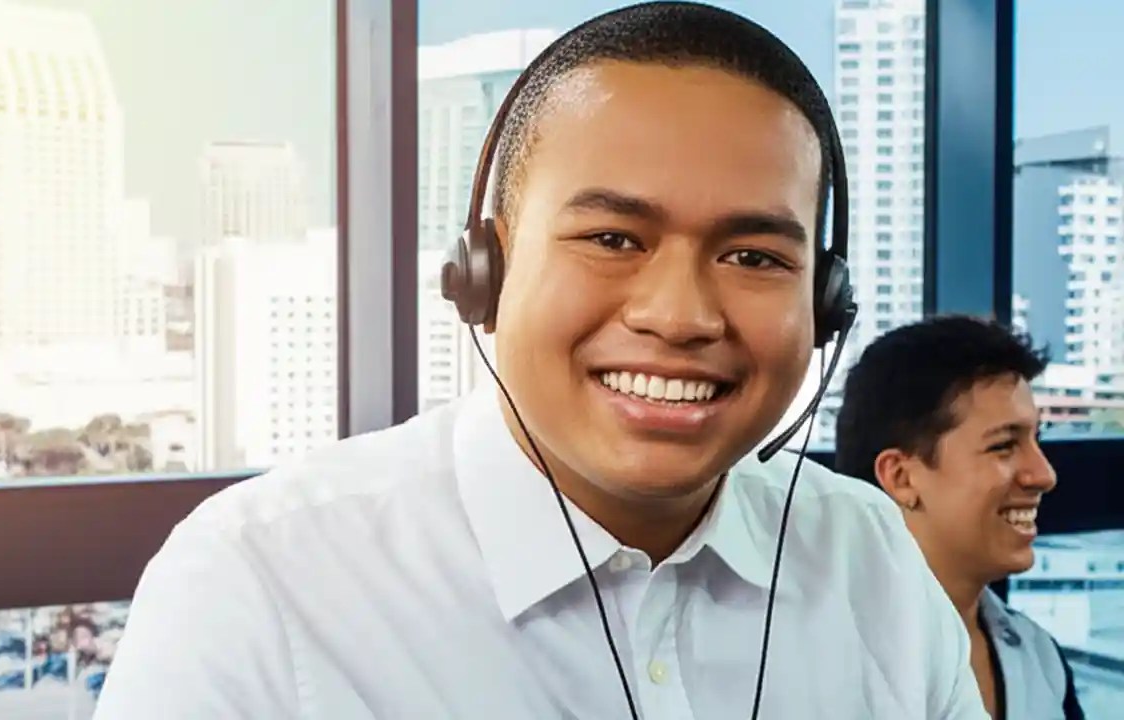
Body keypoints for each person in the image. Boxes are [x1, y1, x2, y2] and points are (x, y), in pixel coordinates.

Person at [94, 3, 988, 718]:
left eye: (754, 257)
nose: (679, 316)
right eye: (612, 237)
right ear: (485, 269)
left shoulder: (872, 562)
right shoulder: (257, 584)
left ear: (824, 303)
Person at [835, 315, 1085, 720]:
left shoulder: (1037, 657)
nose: (1044, 475)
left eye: (1035, 440)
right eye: (1004, 446)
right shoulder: (808, 659)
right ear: (901, 477)